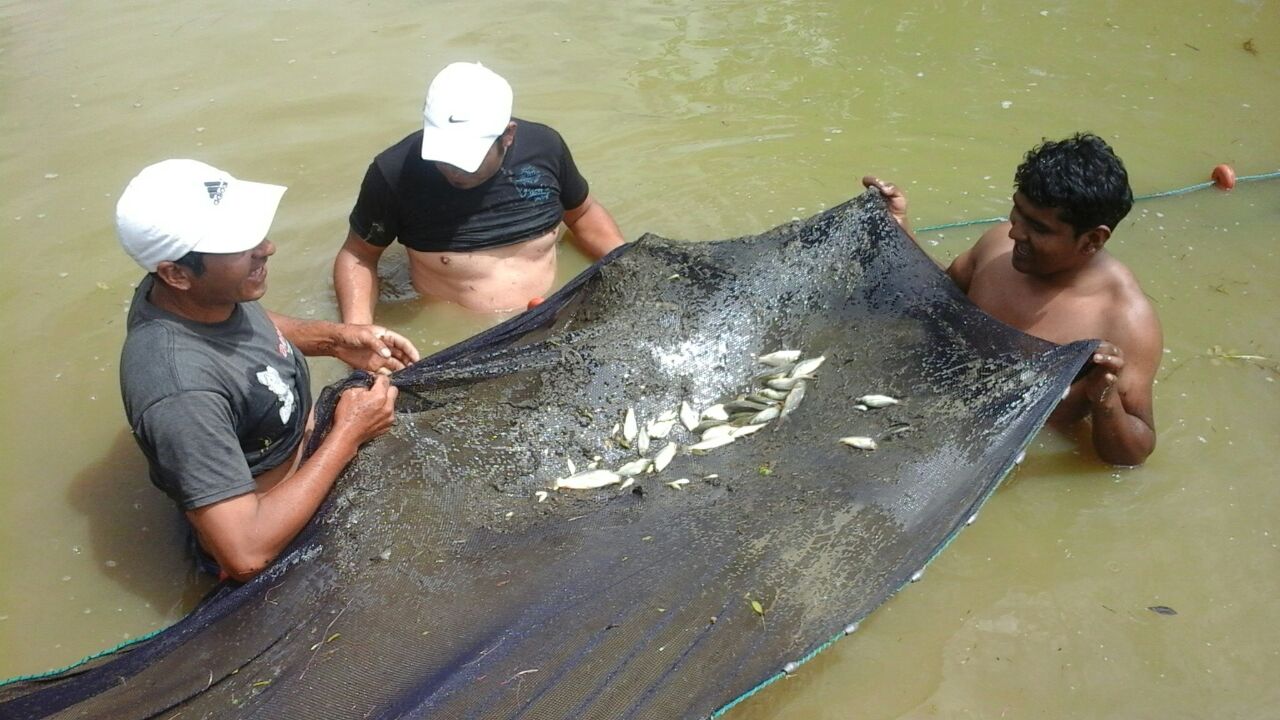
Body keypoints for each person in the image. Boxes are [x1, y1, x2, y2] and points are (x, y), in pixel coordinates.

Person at [116, 159, 421, 582]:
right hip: (277, 533)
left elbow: (245, 323)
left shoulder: (199, 295)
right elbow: (246, 554)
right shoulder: (181, 393)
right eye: (239, 244)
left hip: (309, 454)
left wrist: (335, 339)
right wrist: (348, 434)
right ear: (177, 274)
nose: (267, 248)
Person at [864, 133, 1161, 466]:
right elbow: (939, 298)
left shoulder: (1124, 319)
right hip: (908, 410)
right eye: (1017, 214)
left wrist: (1105, 400)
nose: (1015, 233)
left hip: (991, 458)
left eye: (1039, 228)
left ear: (1092, 239)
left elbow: (1134, 455)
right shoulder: (997, 249)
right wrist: (899, 231)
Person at [333, 61, 626, 323]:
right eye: (444, 155)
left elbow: (583, 214)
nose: (454, 169)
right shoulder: (393, 172)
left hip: (552, 311)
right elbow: (359, 255)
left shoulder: (545, 147)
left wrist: (626, 264)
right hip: (456, 334)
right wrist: (357, 332)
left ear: (508, 135)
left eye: (468, 158)